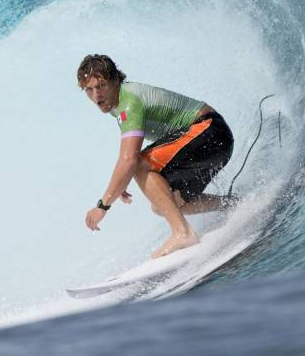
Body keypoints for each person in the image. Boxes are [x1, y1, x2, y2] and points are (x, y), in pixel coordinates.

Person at [77, 54, 235, 258]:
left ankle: (182, 233)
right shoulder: (120, 103)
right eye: (89, 89)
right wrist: (123, 179)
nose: (96, 94)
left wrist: (103, 206)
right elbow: (128, 158)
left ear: (116, 80)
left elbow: (130, 160)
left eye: (102, 86)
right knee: (165, 205)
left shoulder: (129, 102)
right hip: (215, 140)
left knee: (140, 164)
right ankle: (232, 204)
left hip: (210, 130)